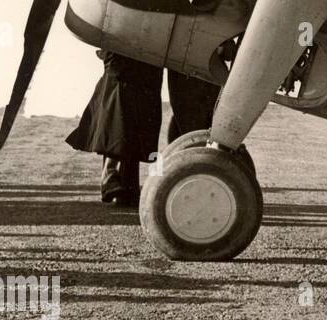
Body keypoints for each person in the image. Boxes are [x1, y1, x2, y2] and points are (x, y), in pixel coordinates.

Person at [66, 51, 220, 206]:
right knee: (121, 123)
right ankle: (115, 182)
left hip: (149, 66)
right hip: (129, 61)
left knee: (133, 124)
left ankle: (129, 188)